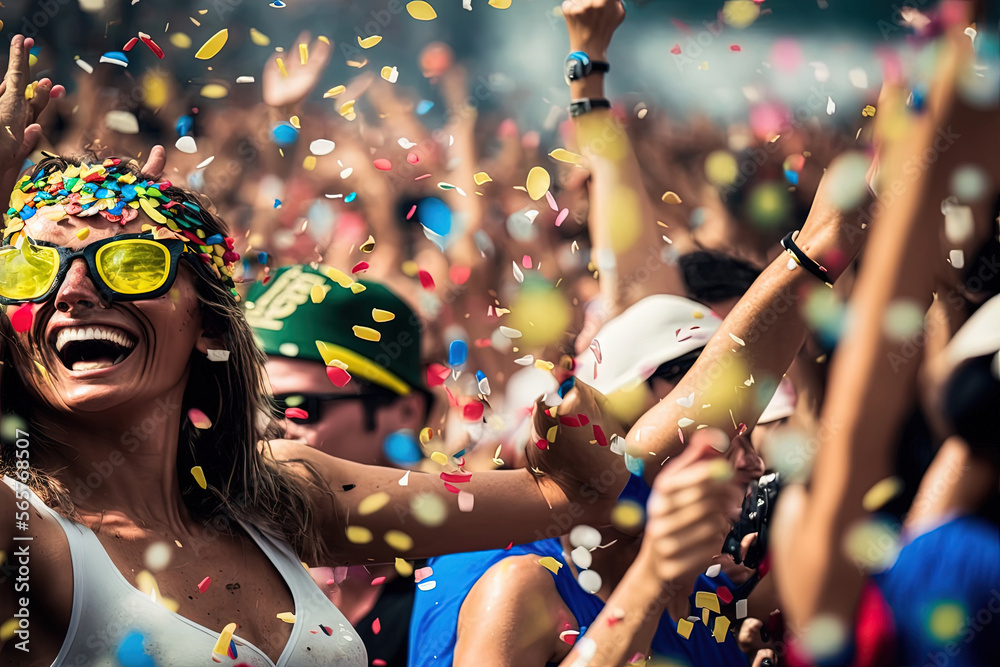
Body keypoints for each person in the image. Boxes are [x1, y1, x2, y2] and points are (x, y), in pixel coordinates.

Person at [0, 34, 631, 667]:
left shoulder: (276, 495)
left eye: (130, 263)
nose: (72, 290)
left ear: (211, 324)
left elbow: (570, 496)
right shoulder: (22, 537)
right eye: (30, 270)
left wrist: (582, 460)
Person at [246, 264, 432, 666]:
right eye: (247, 408)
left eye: (297, 407)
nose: (265, 430)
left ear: (403, 411)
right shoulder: (221, 555)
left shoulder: (455, 577)